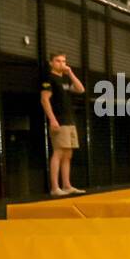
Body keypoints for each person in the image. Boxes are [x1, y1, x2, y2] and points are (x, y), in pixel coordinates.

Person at [40, 52, 85, 197]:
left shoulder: (64, 79)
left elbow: (80, 89)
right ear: (51, 62)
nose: (61, 64)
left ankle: (67, 185)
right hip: (59, 120)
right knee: (58, 152)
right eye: (58, 61)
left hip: (69, 120)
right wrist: (52, 119)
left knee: (68, 154)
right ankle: (55, 187)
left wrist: (70, 73)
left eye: (63, 61)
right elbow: (45, 100)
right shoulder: (48, 78)